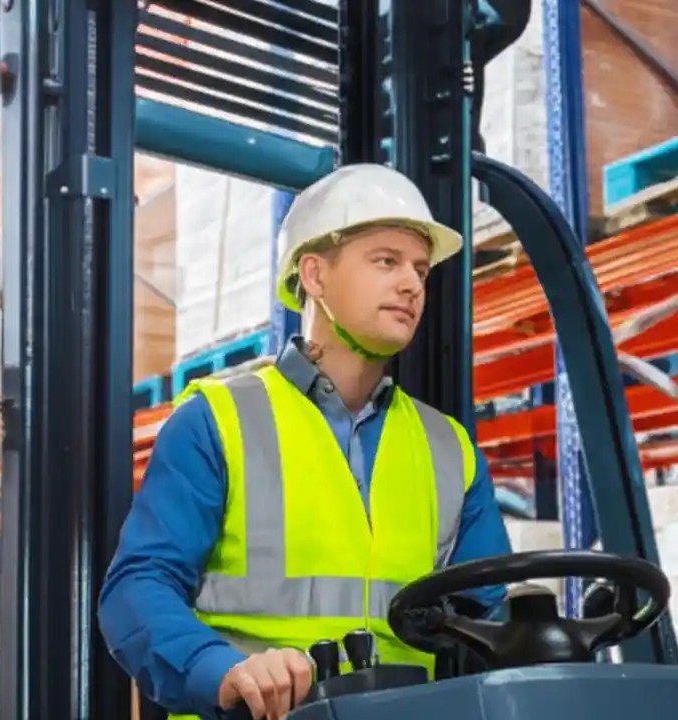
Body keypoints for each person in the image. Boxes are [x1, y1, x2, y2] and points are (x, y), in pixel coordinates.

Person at [99, 164, 512, 720]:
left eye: (420, 269)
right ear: (314, 275)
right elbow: (137, 588)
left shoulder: (449, 447)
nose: (412, 284)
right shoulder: (218, 421)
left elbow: (487, 611)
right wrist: (222, 670)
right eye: (386, 261)